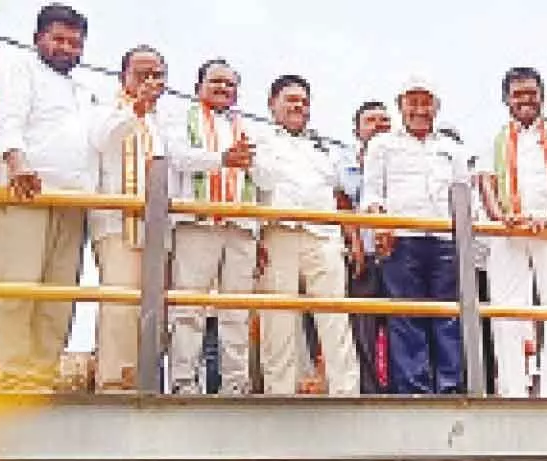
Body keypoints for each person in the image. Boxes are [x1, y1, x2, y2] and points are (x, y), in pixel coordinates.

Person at [0, 3, 94, 391]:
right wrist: (17, 163)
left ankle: (43, 373)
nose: (66, 48)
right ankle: (15, 374)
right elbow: (9, 121)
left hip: (74, 200)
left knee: (59, 293)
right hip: (27, 192)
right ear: (39, 39)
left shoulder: (84, 91)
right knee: (20, 286)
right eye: (59, 39)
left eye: (75, 43)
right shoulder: (22, 70)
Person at [477, 67, 547, 398]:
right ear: (506, 99)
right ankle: (513, 389)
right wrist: (501, 218)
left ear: (543, 97)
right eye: (517, 94)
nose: (525, 100)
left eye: (531, 93)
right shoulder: (495, 138)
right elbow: (485, 182)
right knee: (505, 310)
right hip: (508, 233)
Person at [252, 74, 359, 395]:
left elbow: (340, 193)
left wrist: (351, 236)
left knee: (335, 317)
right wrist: (255, 238)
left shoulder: (323, 148)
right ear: (272, 105)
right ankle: (279, 392)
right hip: (278, 232)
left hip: (323, 234)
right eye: (290, 100)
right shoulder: (257, 140)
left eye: (303, 101)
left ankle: (345, 392)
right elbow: (255, 186)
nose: (298, 106)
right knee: (278, 321)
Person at [362, 76, 469, 395]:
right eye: (413, 102)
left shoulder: (451, 149)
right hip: (401, 238)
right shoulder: (382, 145)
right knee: (406, 316)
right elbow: (372, 193)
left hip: (444, 239)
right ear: (400, 106)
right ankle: (413, 389)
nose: (420, 110)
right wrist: (380, 224)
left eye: (426, 103)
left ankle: (449, 388)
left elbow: (466, 197)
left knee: (448, 316)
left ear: (437, 107)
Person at [166, 58, 258, 395]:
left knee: (236, 310)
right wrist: (222, 159)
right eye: (216, 81)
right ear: (198, 87)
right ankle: (183, 382)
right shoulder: (181, 117)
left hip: (240, 224)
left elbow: (265, 175)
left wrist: (251, 163)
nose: (223, 88)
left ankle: (236, 383)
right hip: (197, 221)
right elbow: (177, 157)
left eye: (229, 84)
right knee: (189, 307)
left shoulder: (247, 127)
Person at [88, 45, 166, 391]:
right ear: (124, 76)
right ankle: (112, 382)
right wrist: (136, 108)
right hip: (116, 223)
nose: (150, 81)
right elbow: (103, 140)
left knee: (153, 309)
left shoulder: (162, 121)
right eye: (141, 75)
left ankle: (144, 381)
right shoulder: (105, 109)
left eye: (157, 75)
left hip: (156, 228)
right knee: (119, 304)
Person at [338, 100, 391, 394]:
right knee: (363, 327)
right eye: (371, 121)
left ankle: (402, 389)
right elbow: (342, 201)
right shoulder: (344, 161)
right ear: (357, 130)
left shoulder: (402, 158)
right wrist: (354, 241)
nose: (379, 126)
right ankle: (368, 390)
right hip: (364, 255)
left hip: (398, 255)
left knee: (402, 325)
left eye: (385, 121)